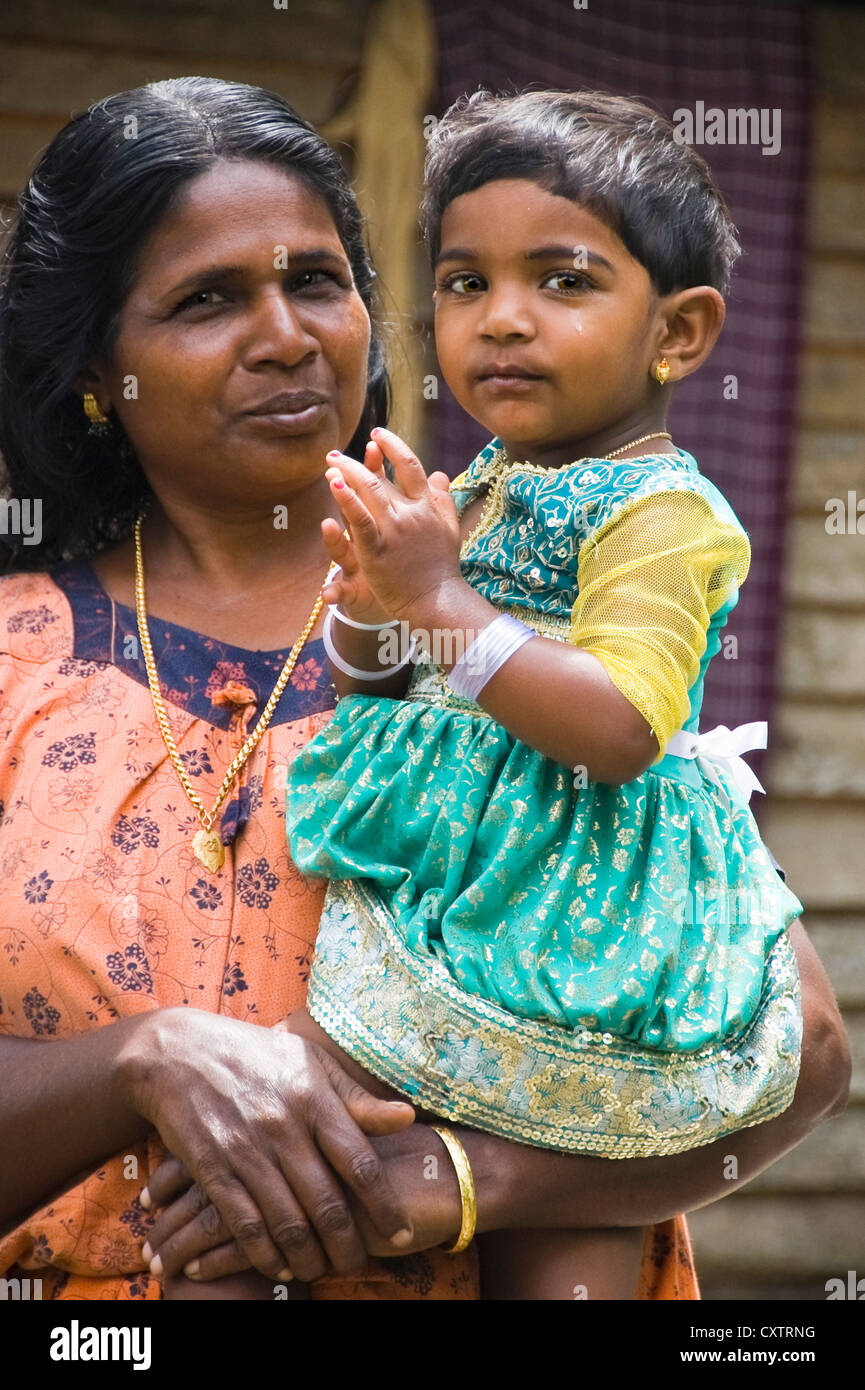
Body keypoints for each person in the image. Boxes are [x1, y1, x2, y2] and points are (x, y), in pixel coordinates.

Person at [0, 78, 848, 1304]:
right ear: (95, 368)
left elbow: (794, 1048)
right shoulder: (21, 661)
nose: (287, 335)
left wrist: (471, 1180)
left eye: (317, 281)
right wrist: (142, 1061)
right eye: (205, 301)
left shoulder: (513, 593)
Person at [280, 90, 820, 1299]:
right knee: (312, 1182)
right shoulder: (472, 486)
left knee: (558, 1248)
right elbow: (376, 691)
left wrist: (444, 600)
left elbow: (620, 729)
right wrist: (373, 605)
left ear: (677, 333)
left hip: (587, 922)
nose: (501, 321)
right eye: (466, 284)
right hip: (443, 899)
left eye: (562, 282)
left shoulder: (663, 515)